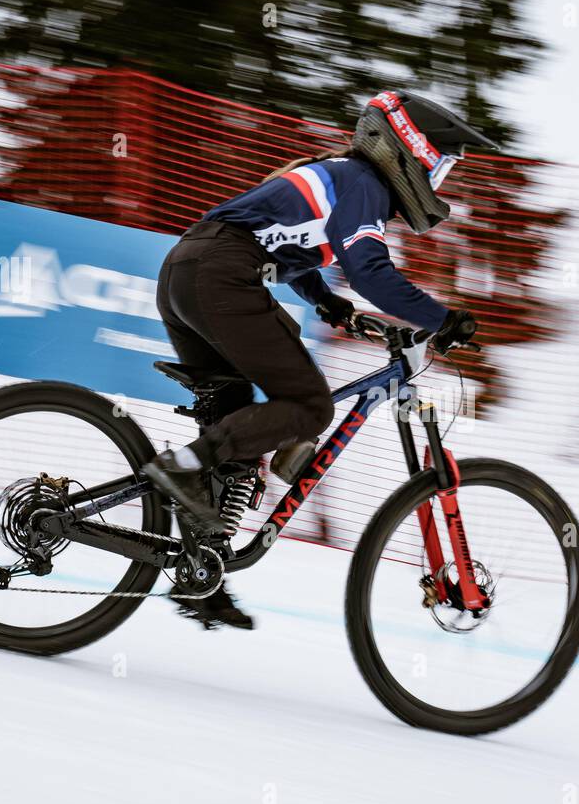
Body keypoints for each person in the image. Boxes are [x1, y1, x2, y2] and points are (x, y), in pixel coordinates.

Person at [143, 90, 493, 629]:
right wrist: (442, 318)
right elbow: (372, 272)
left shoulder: (336, 175)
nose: (438, 182)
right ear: (411, 151)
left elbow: (283, 246)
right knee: (307, 404)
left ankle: (200, 574)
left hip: (186, 270)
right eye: (438, 166)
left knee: (235, 422)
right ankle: (182, 468)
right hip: (220, 273)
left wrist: (328, 303)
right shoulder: (364, 185)